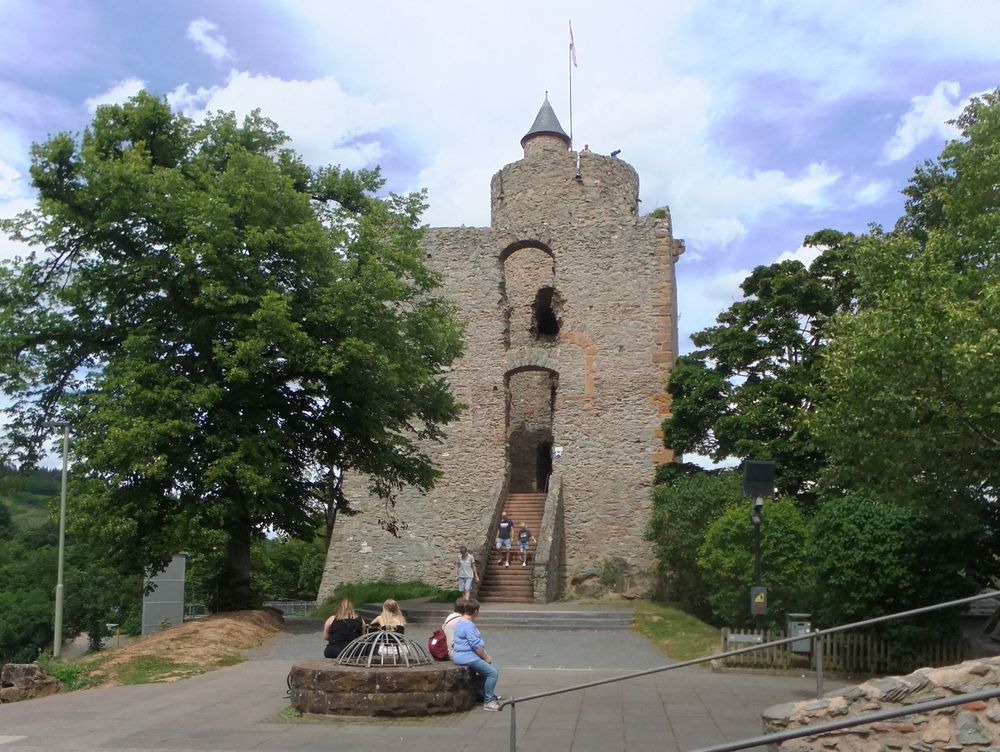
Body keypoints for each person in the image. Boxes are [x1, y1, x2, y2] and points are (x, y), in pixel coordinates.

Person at [451, 598, 501, 710]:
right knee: (492, 673)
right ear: (475, 611)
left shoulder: (461, 622)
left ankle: (481, 693)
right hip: (467, 657)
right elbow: (476, 646)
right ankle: (488, 701)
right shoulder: (468, 625)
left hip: (463, 656)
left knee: (492, 669)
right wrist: (486, 657)